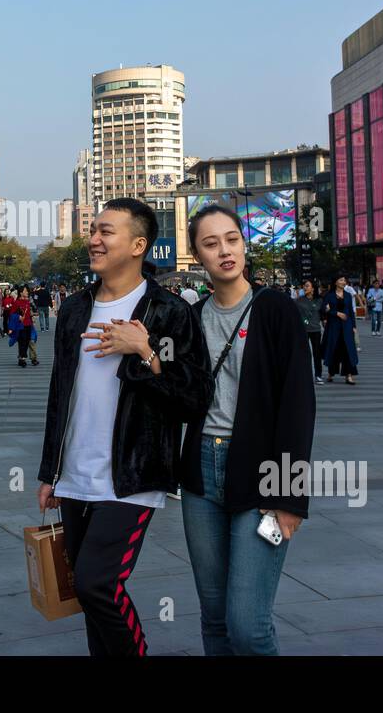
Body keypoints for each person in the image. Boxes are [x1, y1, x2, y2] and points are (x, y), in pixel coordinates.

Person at [37, 198, 209, 657]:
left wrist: (145, 351)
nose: (94, 239)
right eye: (94, 229)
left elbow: (194, 398)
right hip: (75, 477)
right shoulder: (74, 309)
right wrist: (49, 471)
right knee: (89, 599)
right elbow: (60, 394)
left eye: (105, 231)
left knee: (98, 584)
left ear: (138, 244)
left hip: (132, 476)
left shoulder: (168, 312)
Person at [181, 203, 315, 655]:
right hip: (201, 474)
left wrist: (290, 497)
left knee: (248, 626)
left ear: (244, 243)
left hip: (260, 474)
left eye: (232, 239)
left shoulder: (276, 310)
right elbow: (180, 394)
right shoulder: (193, 317)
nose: (224, 251)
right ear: (197, 255)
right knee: (214, 618)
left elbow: (298, 407)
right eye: (211, 243)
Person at [321, 274, 358, 384]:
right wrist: (336, 313)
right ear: (336, 282)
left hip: (347, 326)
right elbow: (323, 309)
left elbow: (351, 311)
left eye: (344, 280)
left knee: (348, 350)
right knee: (334, 348)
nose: (344, 282)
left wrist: (354, 326)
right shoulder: (329, 295)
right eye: (341, 280)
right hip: (333, 326)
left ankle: (349, 375)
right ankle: (331, 373)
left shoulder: (348, 295)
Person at [296, 279, 324, 384]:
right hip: (303, 330)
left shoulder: (319, 300)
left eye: (307, 286)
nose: (305, 287)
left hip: (316, 329)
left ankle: (318, 375)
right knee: (303, 353)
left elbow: (323, 313)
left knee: (317, 353)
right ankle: (302, 375)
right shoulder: (299, 300)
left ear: (313, 288)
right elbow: (294, 313)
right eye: (304, 286)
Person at [12, 285, 35, 367]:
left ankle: (21, 357)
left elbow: (29, 313)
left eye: (27, 291)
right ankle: (22, 359)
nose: (27, 292)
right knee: (22, 341)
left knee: (27, 341)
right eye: (25, 291)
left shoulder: (28, 302)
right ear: (21, 293)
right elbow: (12, 314)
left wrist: (32, 318)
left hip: (28, 324)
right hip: (20, 325)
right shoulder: (16, 302)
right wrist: (18, 317)